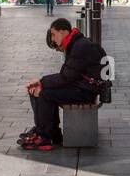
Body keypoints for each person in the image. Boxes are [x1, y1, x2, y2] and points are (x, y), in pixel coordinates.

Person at [17, 18, 102, 151]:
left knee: (45, 94)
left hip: (86, 91)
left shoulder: (79, 46)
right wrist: (41, 83)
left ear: (63, 32)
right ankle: (48, 132)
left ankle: (45, 135)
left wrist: (41, 82)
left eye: (53, 34)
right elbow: (67, 75)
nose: (52, 39)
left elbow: (66, 77)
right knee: (39, 90)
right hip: (82, 86)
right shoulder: (76, 44)